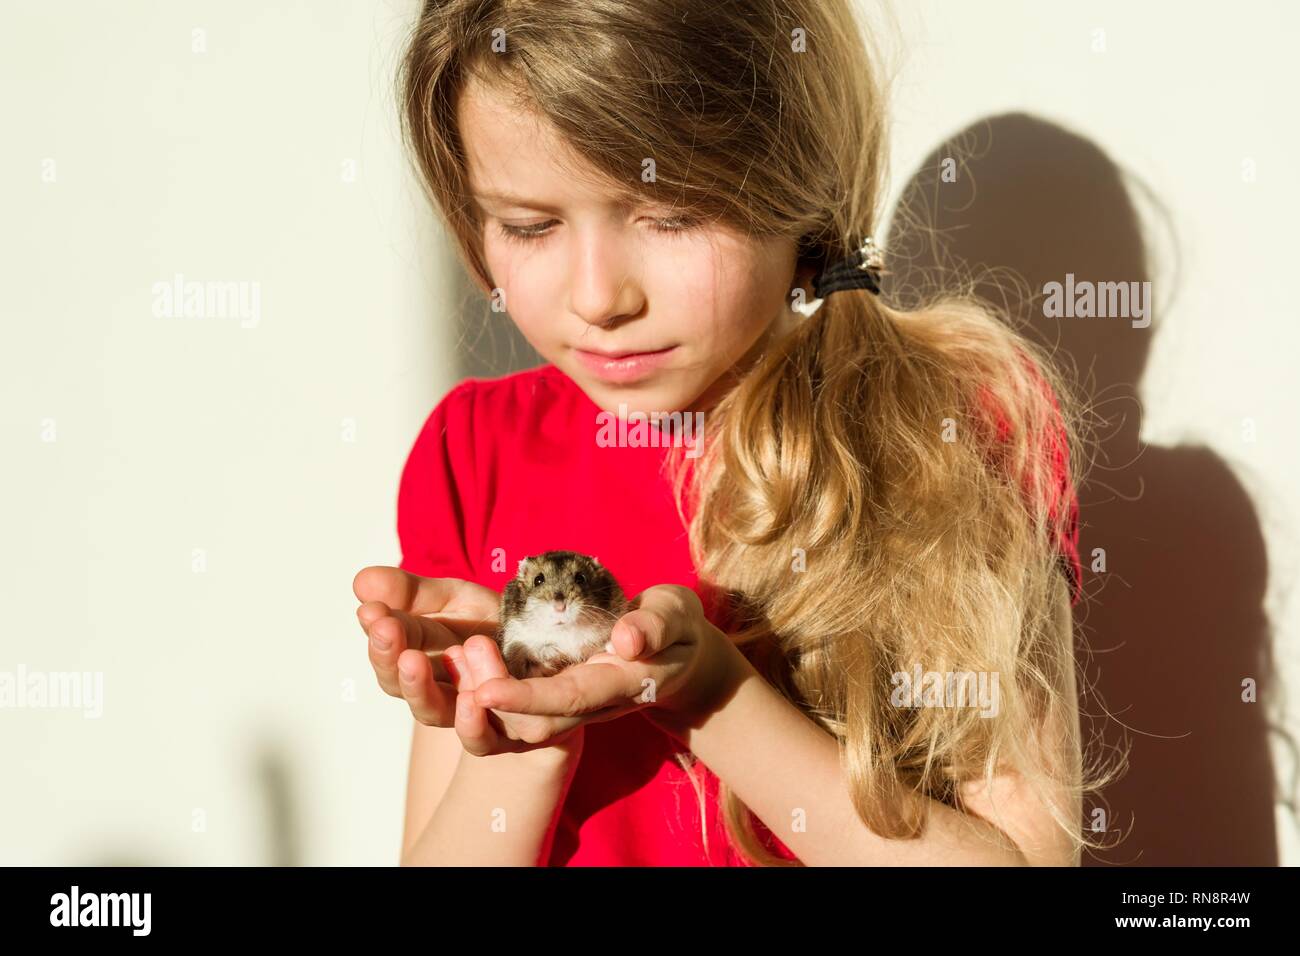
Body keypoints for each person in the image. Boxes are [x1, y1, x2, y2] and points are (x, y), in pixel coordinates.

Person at [353, 0, 1117, 866]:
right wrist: (523, 718)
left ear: (799, 186)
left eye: (670, 215)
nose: (600, 297)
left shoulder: (953, 429)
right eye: (530, 225)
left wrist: (708, 691)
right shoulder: (475, 450)